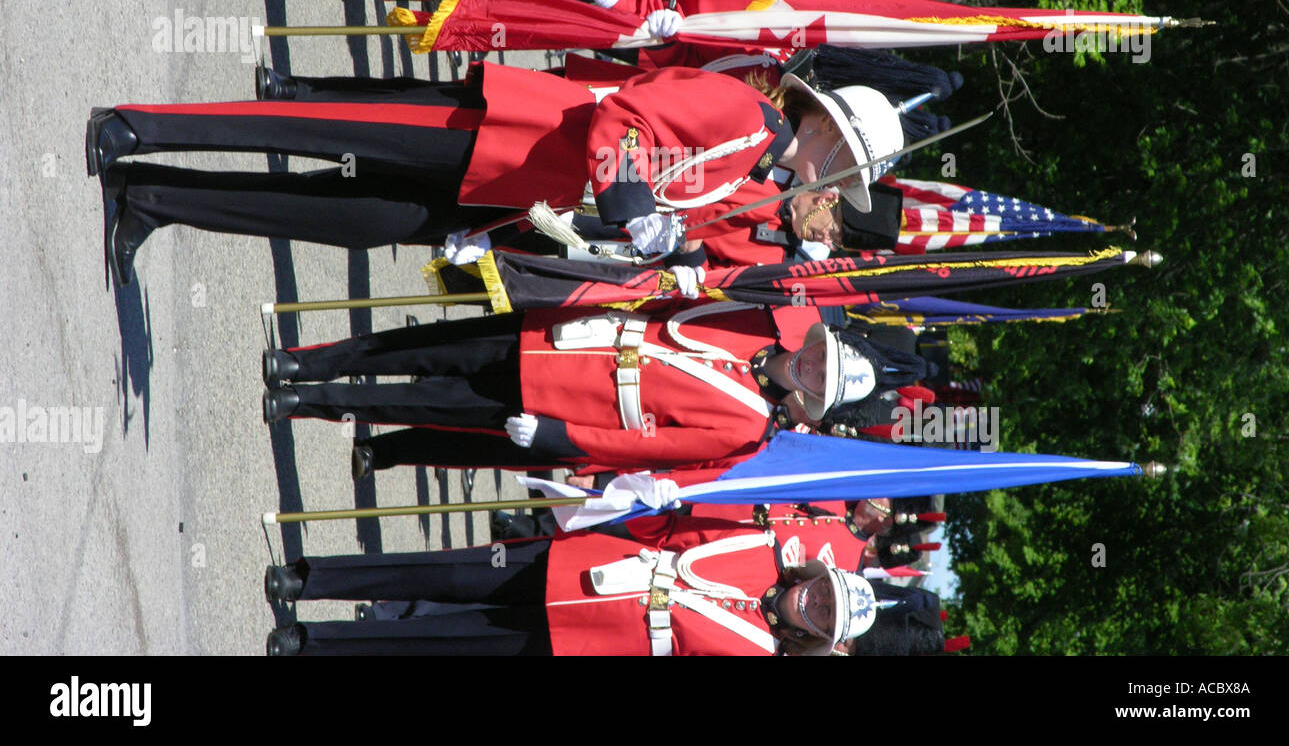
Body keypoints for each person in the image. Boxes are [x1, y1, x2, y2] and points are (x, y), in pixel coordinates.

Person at [86, 59, 903, 289]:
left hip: (506, 198)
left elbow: (637, 214)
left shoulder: (757, 172)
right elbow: (623, 118)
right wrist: (632, 206)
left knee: (332, 217)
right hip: (502, 135)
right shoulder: (745, 114)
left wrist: (665, 255)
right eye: (845, 167)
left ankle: (154, 198)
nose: (835, 188)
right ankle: (140, 125)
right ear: (825, 127)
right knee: (312, 131)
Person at [258, 304, 898, 476]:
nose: (812, 367)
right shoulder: (752, 325)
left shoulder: (749, 428)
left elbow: (645, 449)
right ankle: (307, 364)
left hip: (558, 404)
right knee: (417, 346)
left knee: (415, 403)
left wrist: (558, 436)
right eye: (822, 357)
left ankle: (307, 404)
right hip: (560, 338)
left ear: (815, 401)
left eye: (821, 379)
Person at [262, 510, 879, 656]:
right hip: (574, 565)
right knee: (437, 571)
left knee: (438, 642)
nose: (817, 600)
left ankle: (312, 642)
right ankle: (307, 578)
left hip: (582, 645)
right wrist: (586, 509)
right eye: (826, 590)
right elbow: (669, 519)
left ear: (816, 637)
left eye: (825, 614)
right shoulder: (763, 540)